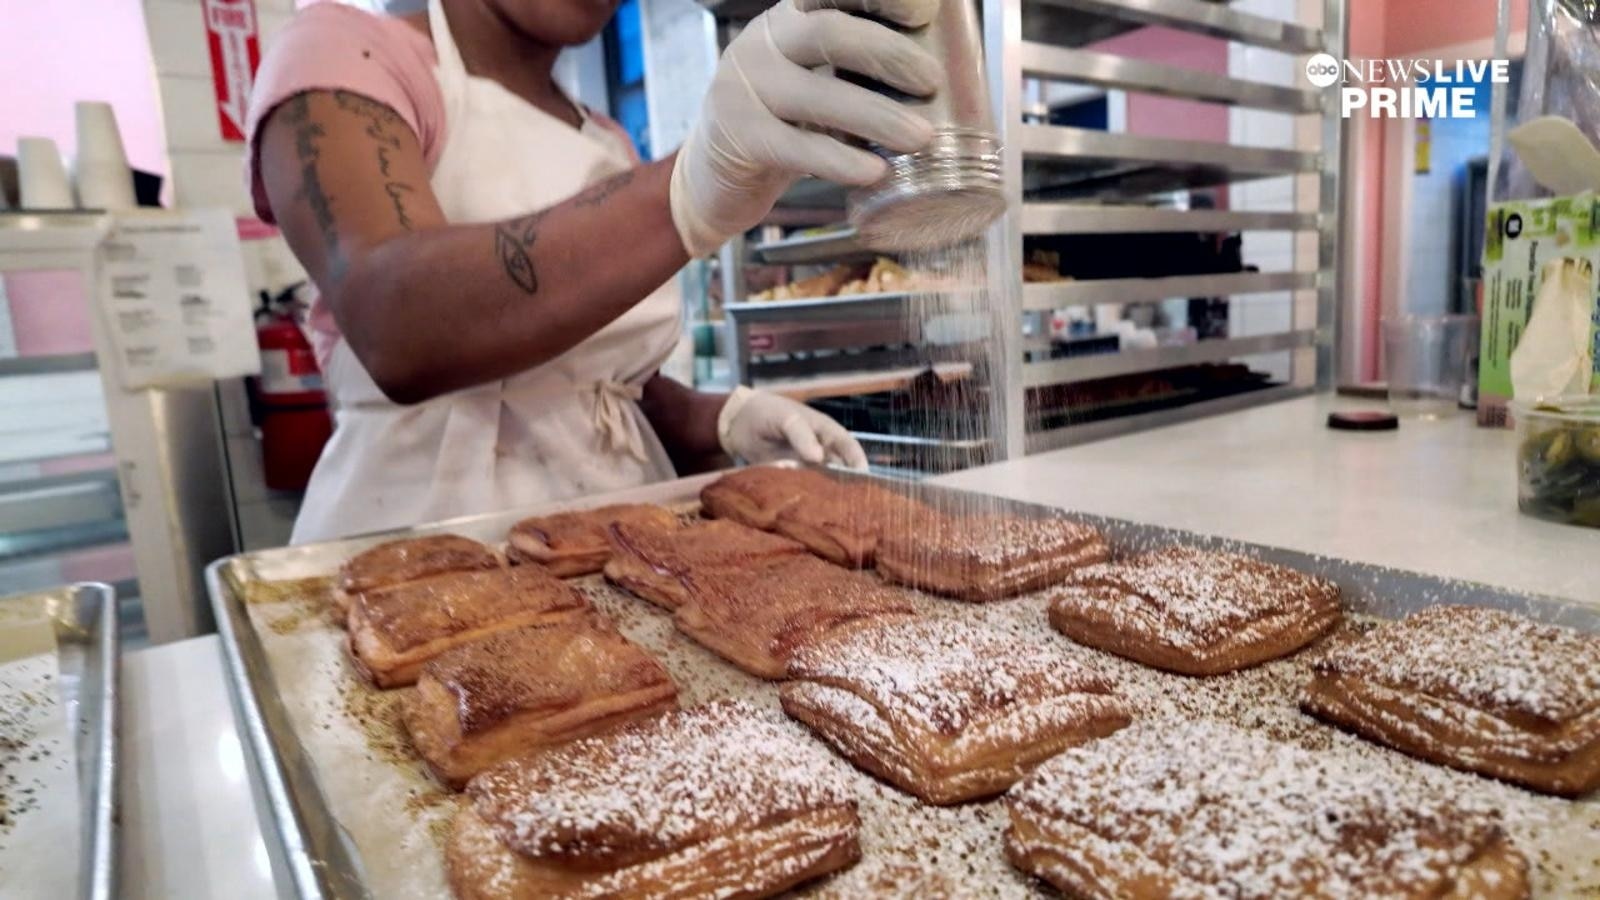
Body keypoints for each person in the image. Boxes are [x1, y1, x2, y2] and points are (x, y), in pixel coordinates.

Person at [246, 0, 944, 543]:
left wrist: (721, 419)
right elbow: (396, 325)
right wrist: (682, 190)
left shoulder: (604, 140)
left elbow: (592, 390)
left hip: (620, 541)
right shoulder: (346, 54)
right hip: (416, 543)